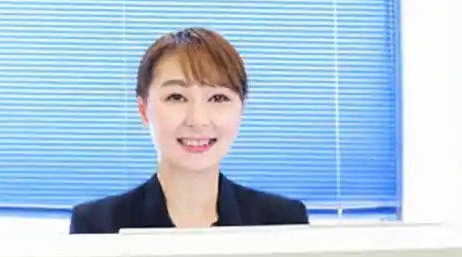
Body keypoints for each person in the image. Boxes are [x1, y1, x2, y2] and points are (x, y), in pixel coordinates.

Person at [69, 27, 309, 234]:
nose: (198, 120)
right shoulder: (97, 225)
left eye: (217, 98)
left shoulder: (282, 222)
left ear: (241, 109)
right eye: (176, 97)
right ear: (143, 110)